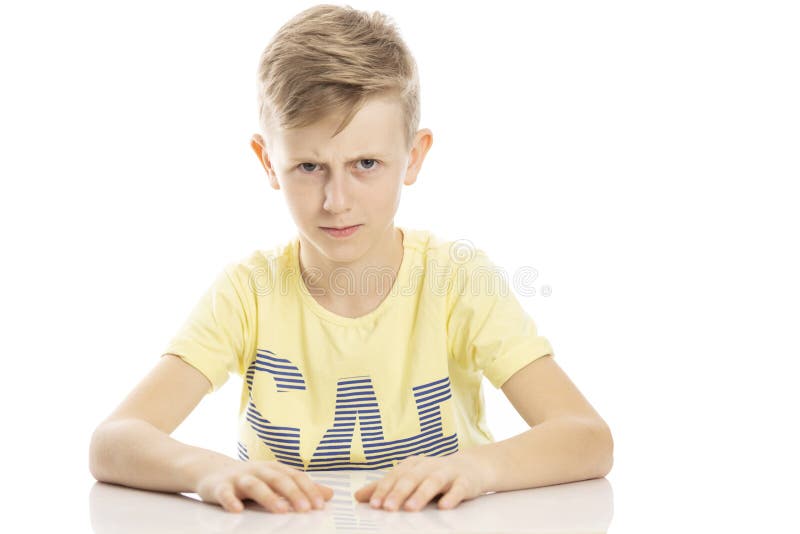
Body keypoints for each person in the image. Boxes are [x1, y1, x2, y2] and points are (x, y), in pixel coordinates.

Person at [89, 3, 613, 515]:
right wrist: (208, 469)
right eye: (309, 166)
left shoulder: (456, 282)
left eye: (366, 163)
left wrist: (479, 469)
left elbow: (587, 437)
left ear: (414, 156)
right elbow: (114, 440)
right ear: (268, 161)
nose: (336, 200)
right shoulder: (249, 293)